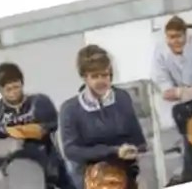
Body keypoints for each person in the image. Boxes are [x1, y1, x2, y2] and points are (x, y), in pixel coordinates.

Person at [59, 45, 147, 188]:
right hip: (89, 173)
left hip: (123, 167)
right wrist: (113, 151)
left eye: (105, 75)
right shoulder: (70, 109)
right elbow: (71, 151)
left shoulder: (122, 98)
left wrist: (134, 149)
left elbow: (139, 140)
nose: (101, 81)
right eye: (94, 76)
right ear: (84, 78)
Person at [0, 62, 71, 189]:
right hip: (19, 170)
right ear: (0, 90)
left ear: (22, 83)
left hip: (50, 164)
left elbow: (50, 125)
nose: (13, 93)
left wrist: (17, 131)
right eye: (8, 89)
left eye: (16, 87)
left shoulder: (39, 102)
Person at [150, 16, 192, 106]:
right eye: (171, 37)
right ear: (166, 37)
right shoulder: (160, 51)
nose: (176, 41)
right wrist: (182, 93)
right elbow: (165, 90)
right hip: (174, 106)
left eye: (179, 36)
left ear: (186, 35)